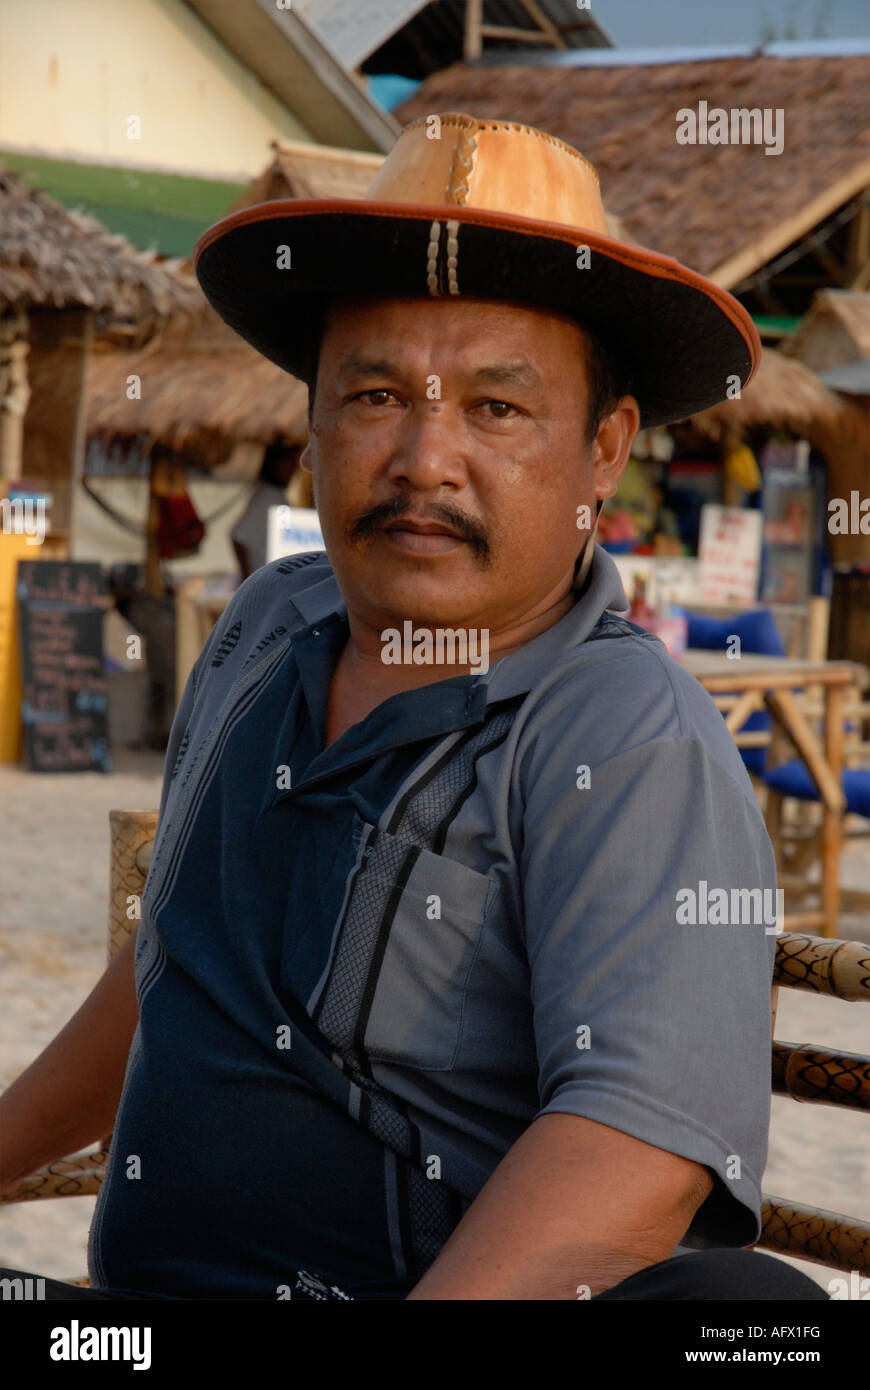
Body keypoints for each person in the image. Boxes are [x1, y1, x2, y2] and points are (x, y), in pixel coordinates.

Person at [0, 113, 827, 1302]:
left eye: (496, 408)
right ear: (314, 424)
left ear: (605, 449)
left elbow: (636, 1147)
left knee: (751, 1314)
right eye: (378, 394)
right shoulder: (263, 624)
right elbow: (167, 961)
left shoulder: (623, 735)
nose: (425, 457)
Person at [230, 442, 301, 579]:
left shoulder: (276, 496)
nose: (293, 468)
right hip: (263, 580)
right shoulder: (268, 497)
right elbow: (238, 537)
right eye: (288, 462)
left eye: (294, 462)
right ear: (274, 463)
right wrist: (247, 579)